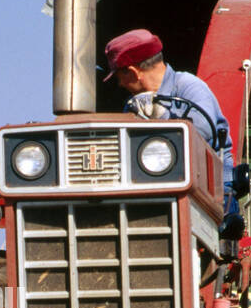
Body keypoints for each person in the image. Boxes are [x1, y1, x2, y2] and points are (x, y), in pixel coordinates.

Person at [104, 29, 242, 229]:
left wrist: (160, 119)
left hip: (210, 188)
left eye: (119, 76)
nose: (120, 84)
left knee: (217, 229)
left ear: (133, 72)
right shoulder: (133, 105)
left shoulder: (189, 87)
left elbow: (201, 132)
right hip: (155, 186)